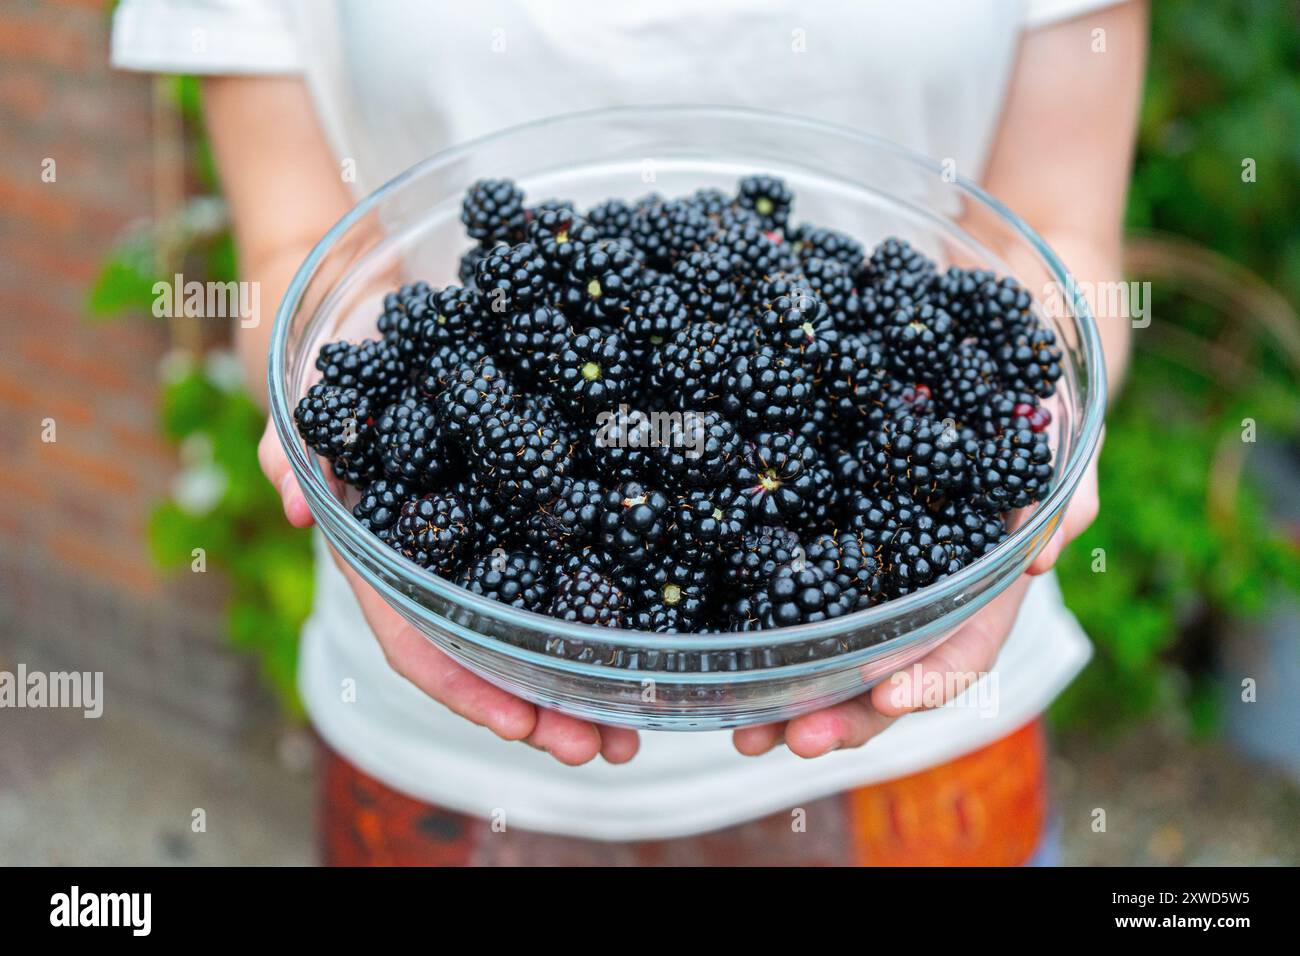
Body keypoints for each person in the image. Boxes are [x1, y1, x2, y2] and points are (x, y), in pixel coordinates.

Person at [112, 0, 1142, 865]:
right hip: (440, 754)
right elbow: (293, 253)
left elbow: (1058, 240)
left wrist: (1038, 411)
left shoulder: (831, 407)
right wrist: (360, 425)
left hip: (920, 723)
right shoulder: (530, 411)